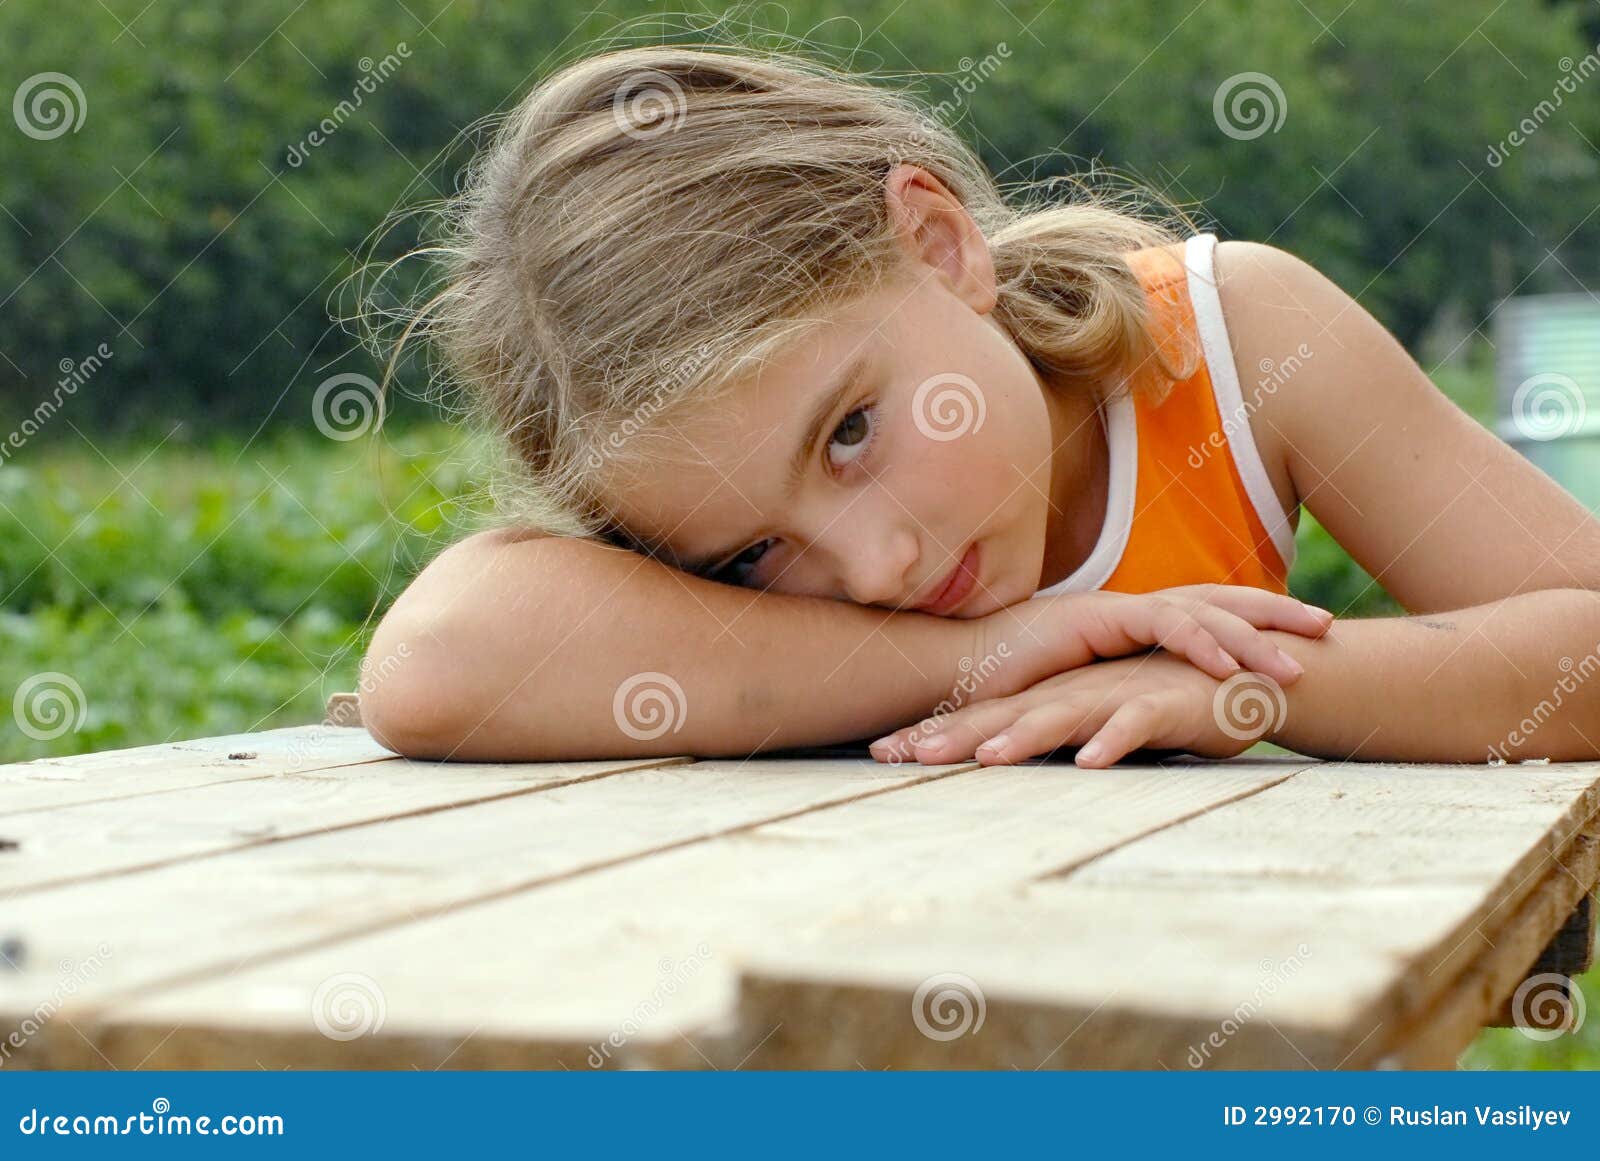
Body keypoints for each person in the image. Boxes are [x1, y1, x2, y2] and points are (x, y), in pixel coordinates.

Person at [355, 44, 1600, 768]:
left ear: (941, 244)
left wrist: (1240, 685)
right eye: (749, 552)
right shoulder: (819, 588)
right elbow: (435, 663)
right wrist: (980, 658)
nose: (876, 567)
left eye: (849, 433)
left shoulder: (1228, 344)